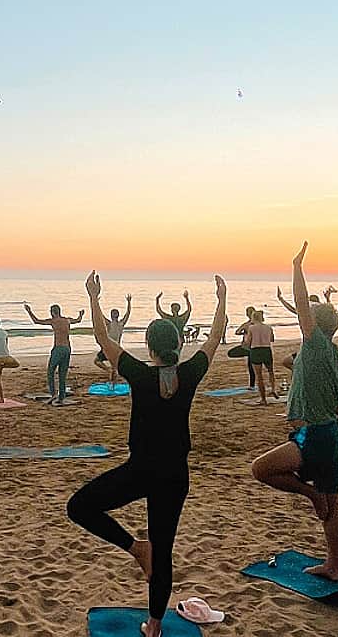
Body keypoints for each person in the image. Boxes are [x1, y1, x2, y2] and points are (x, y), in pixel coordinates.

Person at [69, 271, 227, 637]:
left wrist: (93, 297)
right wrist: (221, 300)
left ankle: (135, 548)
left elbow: (102, 338)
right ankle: (154, 624)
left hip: (141, 470)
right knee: (164, 548)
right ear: (177, 344)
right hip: (174, 476)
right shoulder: (189, 374)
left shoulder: (139, 374)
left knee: (79, 507)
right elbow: (215, 338)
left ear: (149, 345)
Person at [253, 243, 338, 581]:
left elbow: (301, 305)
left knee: (261, 469)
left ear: (315, 326)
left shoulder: (316, 344)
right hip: (332, 434)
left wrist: (296, 267)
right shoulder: (335, 355)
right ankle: (334, 565)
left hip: (316, 434)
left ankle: (309, 493)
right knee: (333, 504)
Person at [24, 301, 84, 405]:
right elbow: (78, 320)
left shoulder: (53, 321)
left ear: (52, 312)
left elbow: (36, 321)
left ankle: (53, 394)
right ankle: (61, 397)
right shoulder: (67, 320)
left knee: (50, 371)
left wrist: (29, 311)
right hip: (68, 349)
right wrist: (81, 314)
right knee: (62, 374)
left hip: (58, 348)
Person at [234, 309, 276, 404]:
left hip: (256, 350)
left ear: (253, 318)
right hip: (266, 349)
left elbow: (248, 342)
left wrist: (245, 345)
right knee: (271, 371)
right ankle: (273, 389)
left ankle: (263, 399)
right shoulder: (269, 327)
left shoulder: (251, 328)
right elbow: (272, 339)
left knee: (259, 375)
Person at [94, 294, 133, 382]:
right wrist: (129, 303)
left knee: (99, 362)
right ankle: (110, 372)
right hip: (115, 349)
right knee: (102, 363)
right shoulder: (112, 323)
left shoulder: (117, 323)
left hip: (111, 348)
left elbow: (127, 314)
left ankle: (110, 374)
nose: (113, 315)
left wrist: (96, 302)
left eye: (114, 314)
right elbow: (101, 316)